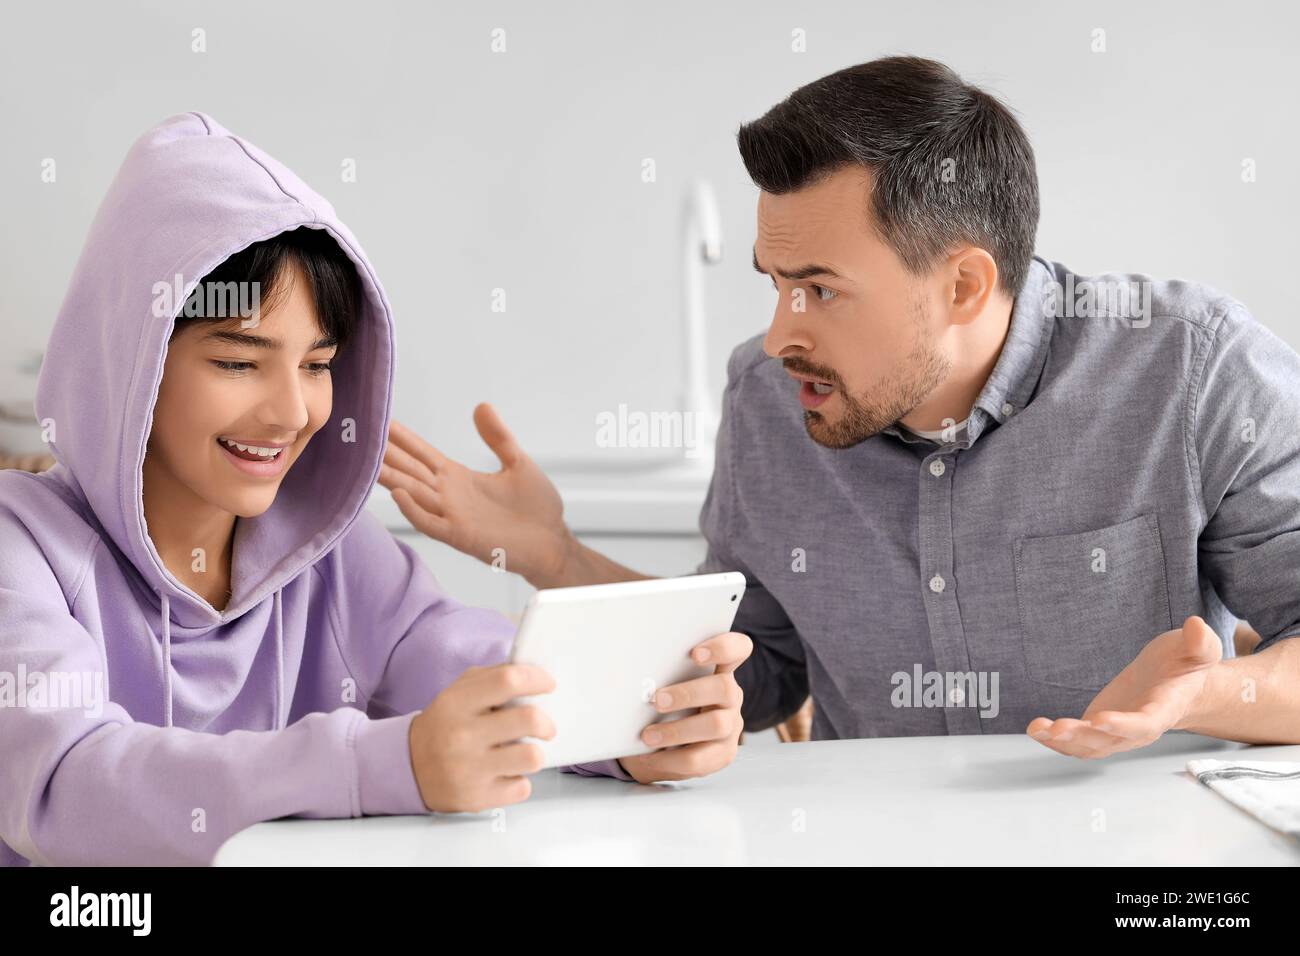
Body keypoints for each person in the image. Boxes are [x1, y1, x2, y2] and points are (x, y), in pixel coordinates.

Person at [379, 55, 1300, 761]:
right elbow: (760, 669)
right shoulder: (767, 399)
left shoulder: (1190, 367)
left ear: (964, 286)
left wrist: (1202, 698)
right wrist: (556, 556)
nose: (780, 334)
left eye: (819, 288)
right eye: (774, 284)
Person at [0, 112, 750, 866]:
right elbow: (66, 785)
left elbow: (484, 669)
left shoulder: (336, 559)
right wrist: (385, 765)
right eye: (239, 362)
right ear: (132, 364)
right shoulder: (21, 545)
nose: (293, 412)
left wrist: (633, 724)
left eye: (317, 365)